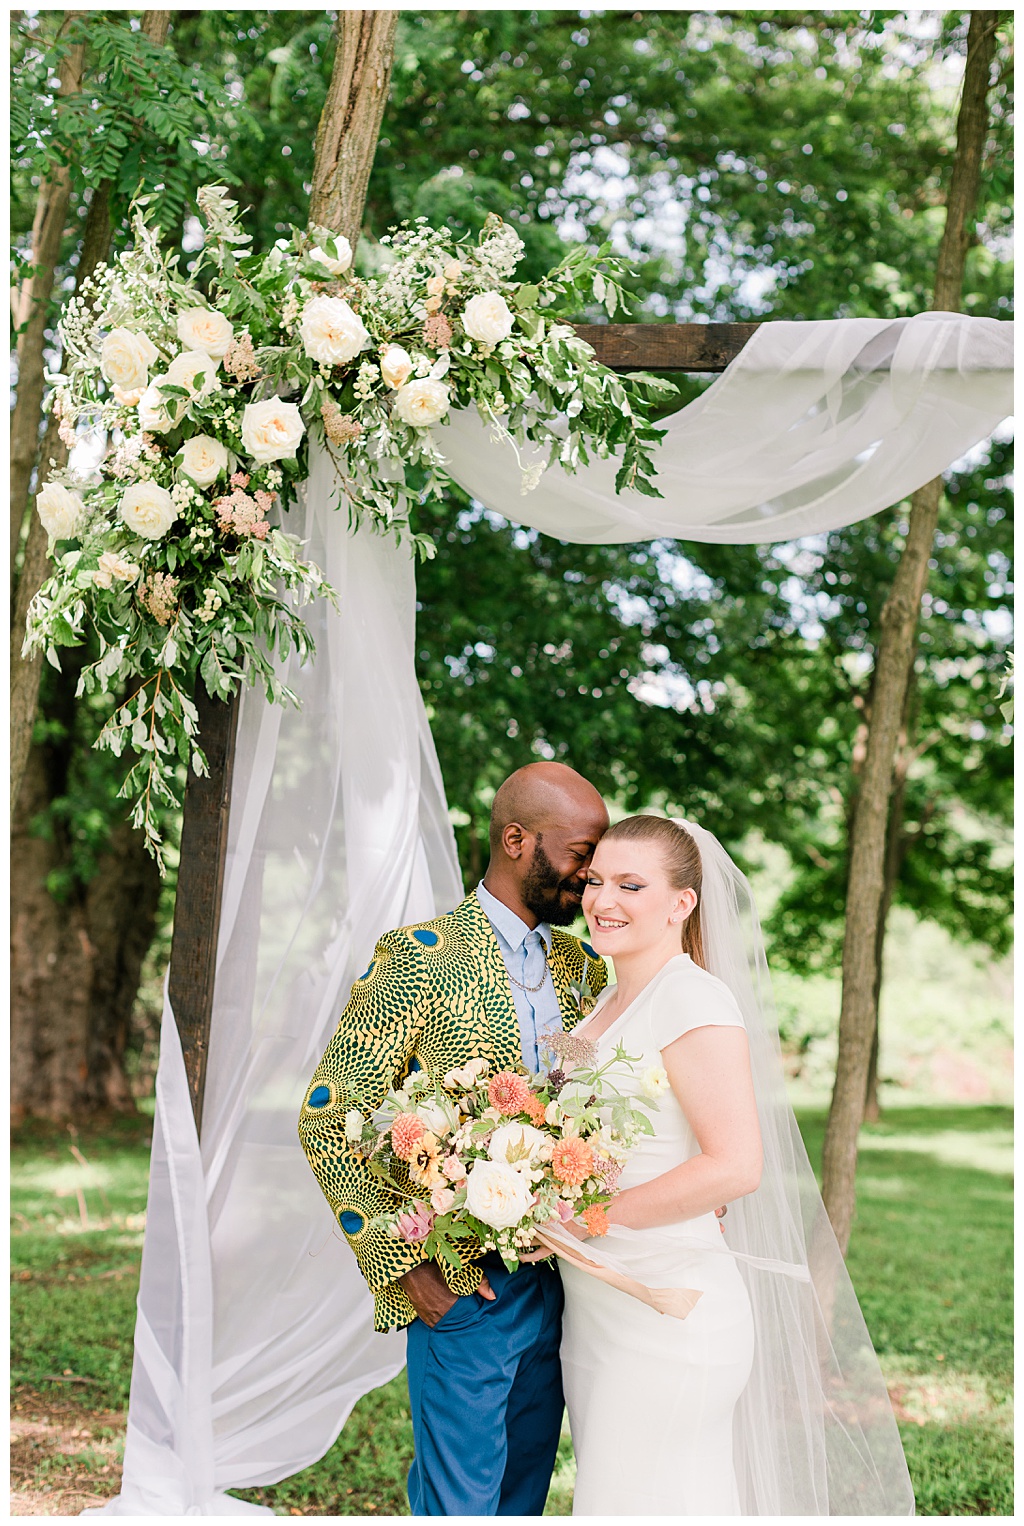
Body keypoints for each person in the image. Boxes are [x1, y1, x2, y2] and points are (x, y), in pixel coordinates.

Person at [551, 813, 914, 1516]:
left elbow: (734, 1167)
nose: (603, 900)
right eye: (596, 881)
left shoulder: (692, 999)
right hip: (602, 1316)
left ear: (682, 903)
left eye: (631, 884)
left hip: (668, 1319)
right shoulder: (607, 1000)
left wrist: (583, 1218)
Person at [298, 761, 611, 1517]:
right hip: (463, 1283)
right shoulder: (419, 956)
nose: (591, 879)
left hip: (571, 1284)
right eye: (579, 856)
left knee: (523, 1493)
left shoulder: (587, 969)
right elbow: (326, 1116)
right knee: (461, 1502)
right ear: (516, 840)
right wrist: (404, 1268)